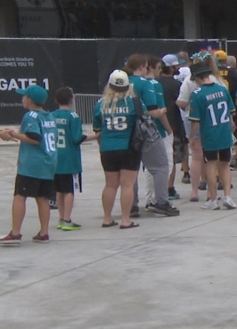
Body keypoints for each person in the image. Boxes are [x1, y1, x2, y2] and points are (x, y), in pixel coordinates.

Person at [0, 84, 57, 246]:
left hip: (32, 164)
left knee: (20, 196)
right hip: (48, 162)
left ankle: (15, 233)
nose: (22, 98)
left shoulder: (31, 116)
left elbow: (34, 138)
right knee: (42, 197)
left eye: (24, 96)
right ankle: (44, 232)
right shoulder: (48, 116)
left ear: (30, 100)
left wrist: (13, 134)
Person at [125, 54, 178, 218]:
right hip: (145, 131)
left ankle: (131, 205)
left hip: (124, 131)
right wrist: (163, 115)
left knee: (130, 170)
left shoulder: (122, 82)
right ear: (142, 66)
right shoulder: (147, 84)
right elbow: (154, 111)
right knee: (161, 166)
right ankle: (161, 202)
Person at [92, 71, 142, 229]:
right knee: (127, 185)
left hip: (107, 148)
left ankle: (107, 218)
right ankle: (125, 219)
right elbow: (144, 121)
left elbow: (97, 129)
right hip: (129, 147)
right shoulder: (133, 102)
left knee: (110, 185)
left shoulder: (101, 104)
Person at [187, 60, 237, 210]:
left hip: (209, 133)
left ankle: (213, 199)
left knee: (210, 165)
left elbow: (195, 121)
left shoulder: (197, 94)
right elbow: (231, 113)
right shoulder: (223, 90)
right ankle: (228, 196)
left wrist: (191, 137)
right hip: (224, 132)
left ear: (196, 77)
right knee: (225, 164)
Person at [51, 87, 90, 232]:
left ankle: (61, 218)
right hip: (69, 159)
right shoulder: (73, 117)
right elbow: (76, 138)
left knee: (59, 190)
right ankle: (67, 219)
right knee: (69, 190)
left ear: (56, 100)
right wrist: (94, 136)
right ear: (72, 100)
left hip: (55, 158)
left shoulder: (52, 116)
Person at [157, 55, 188, 200]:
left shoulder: (154, 83)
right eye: (176, 66)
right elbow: (182, 103)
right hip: (173, 125)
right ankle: (169, 188)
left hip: (156, 127)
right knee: (172, 160)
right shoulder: (175, 85)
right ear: (171, 67)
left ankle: (158, 189)